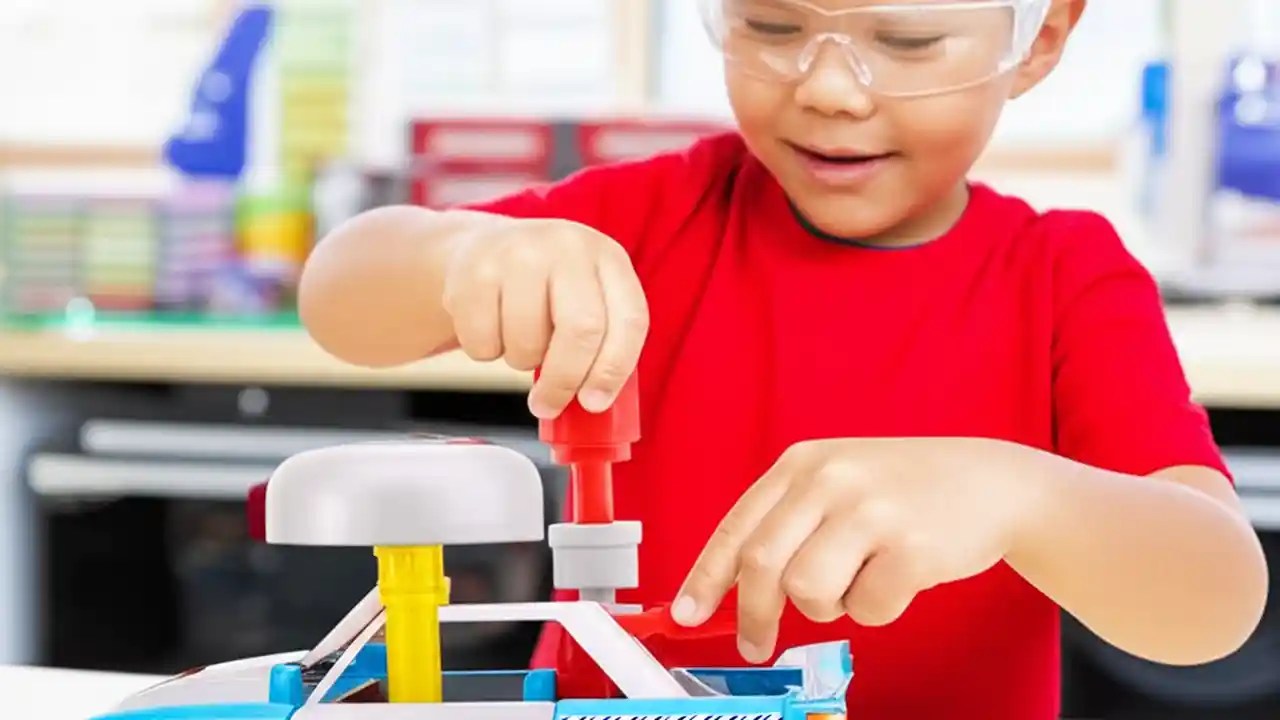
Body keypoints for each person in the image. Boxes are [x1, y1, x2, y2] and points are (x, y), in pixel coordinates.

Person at [298, 0, 1268, 717]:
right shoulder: (660, 218)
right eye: (769, 26)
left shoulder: (1063, 279)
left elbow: (1214, 604)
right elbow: (339, 296)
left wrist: (1019, 494)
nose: (829, 89)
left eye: (906, 41)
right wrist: (463, 252)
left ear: (1038, 38)